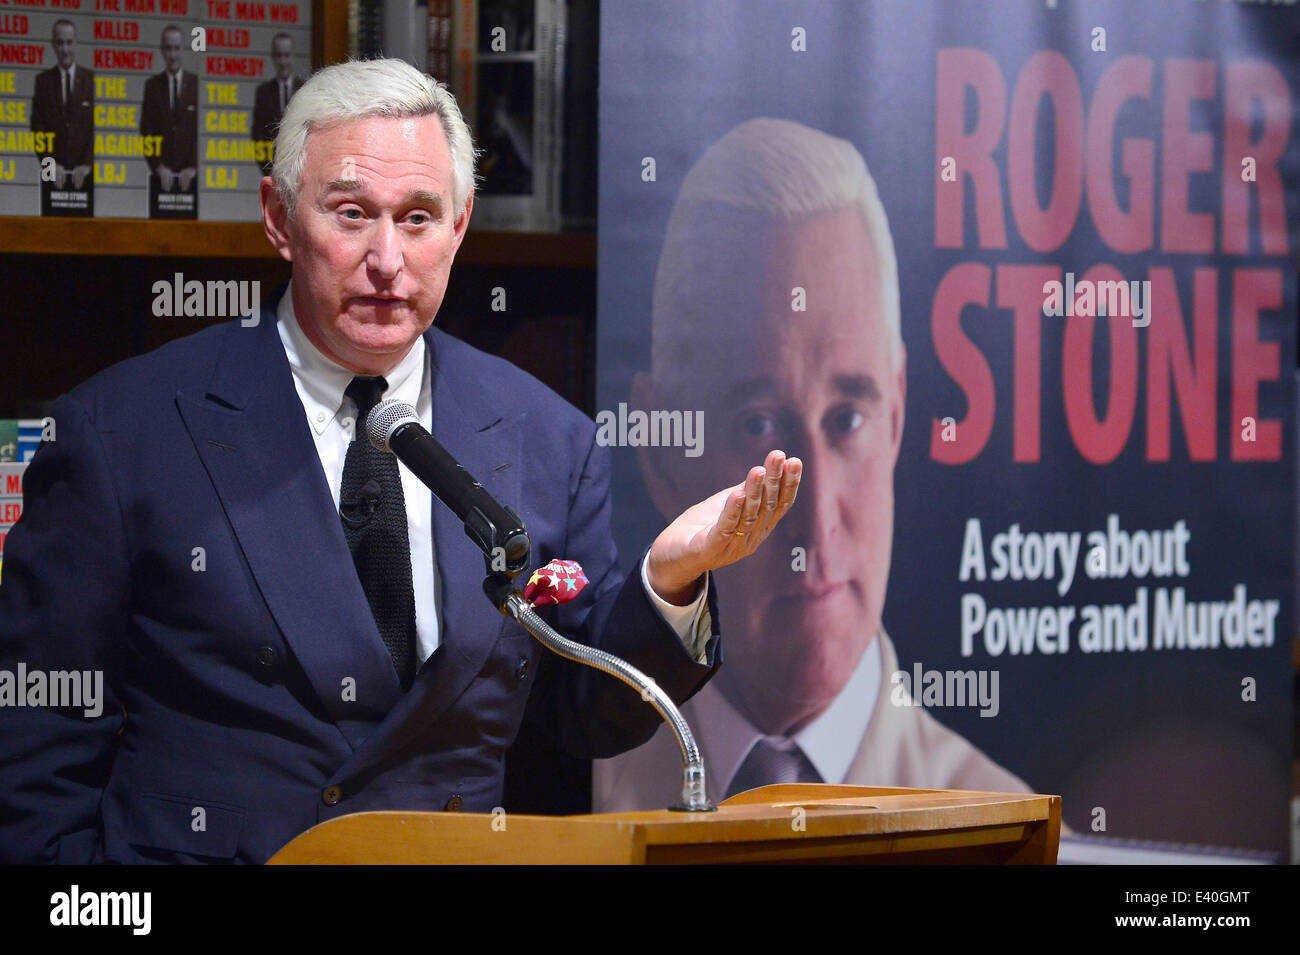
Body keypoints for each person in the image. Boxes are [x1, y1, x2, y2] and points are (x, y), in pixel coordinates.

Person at [0, 61, 800, 863]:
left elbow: (581, 709)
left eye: (418, 218)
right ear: (279, 218)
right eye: (351, 214)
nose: (387, 258)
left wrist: (670, 582)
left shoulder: (546, 437)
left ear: (459, 226)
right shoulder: (120, 431)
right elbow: (36, 752)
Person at [594, 118, 1029, 811]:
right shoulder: (560, 803)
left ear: (897, 415)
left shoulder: (1009, 834)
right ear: (660, 447)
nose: (816, 521)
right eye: (758, 425)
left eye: (848, 418)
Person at [30, 19, 94, 216]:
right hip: (52, 173)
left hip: (84, 175)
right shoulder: (42, 82)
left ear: (76, 43)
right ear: (53, 45)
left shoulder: (91, 80)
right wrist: (49, 163)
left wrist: (87, 164)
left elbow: (96, 127)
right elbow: (37, 127)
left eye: (69, 42)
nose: (65, 49)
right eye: (60, 43)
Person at [139, 24, 198, 217]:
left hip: (191, 180)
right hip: (160, 180)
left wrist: (193, 168)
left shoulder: (197, 85)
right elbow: (146, 132)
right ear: (162, 51)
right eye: (168, 48)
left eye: (177, 48)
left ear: (183, 49)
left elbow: (201, 132)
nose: (173, 54)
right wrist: (158, 167)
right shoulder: (152, 86)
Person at [251, 33, 305, 176]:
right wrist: (270, 170)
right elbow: (258, 135)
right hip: (272, 170)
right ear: (273, 57)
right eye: (279, 56)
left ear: (293, 56)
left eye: (286, 55)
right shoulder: (263, 93)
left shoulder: (305, 89)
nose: (283, 62)